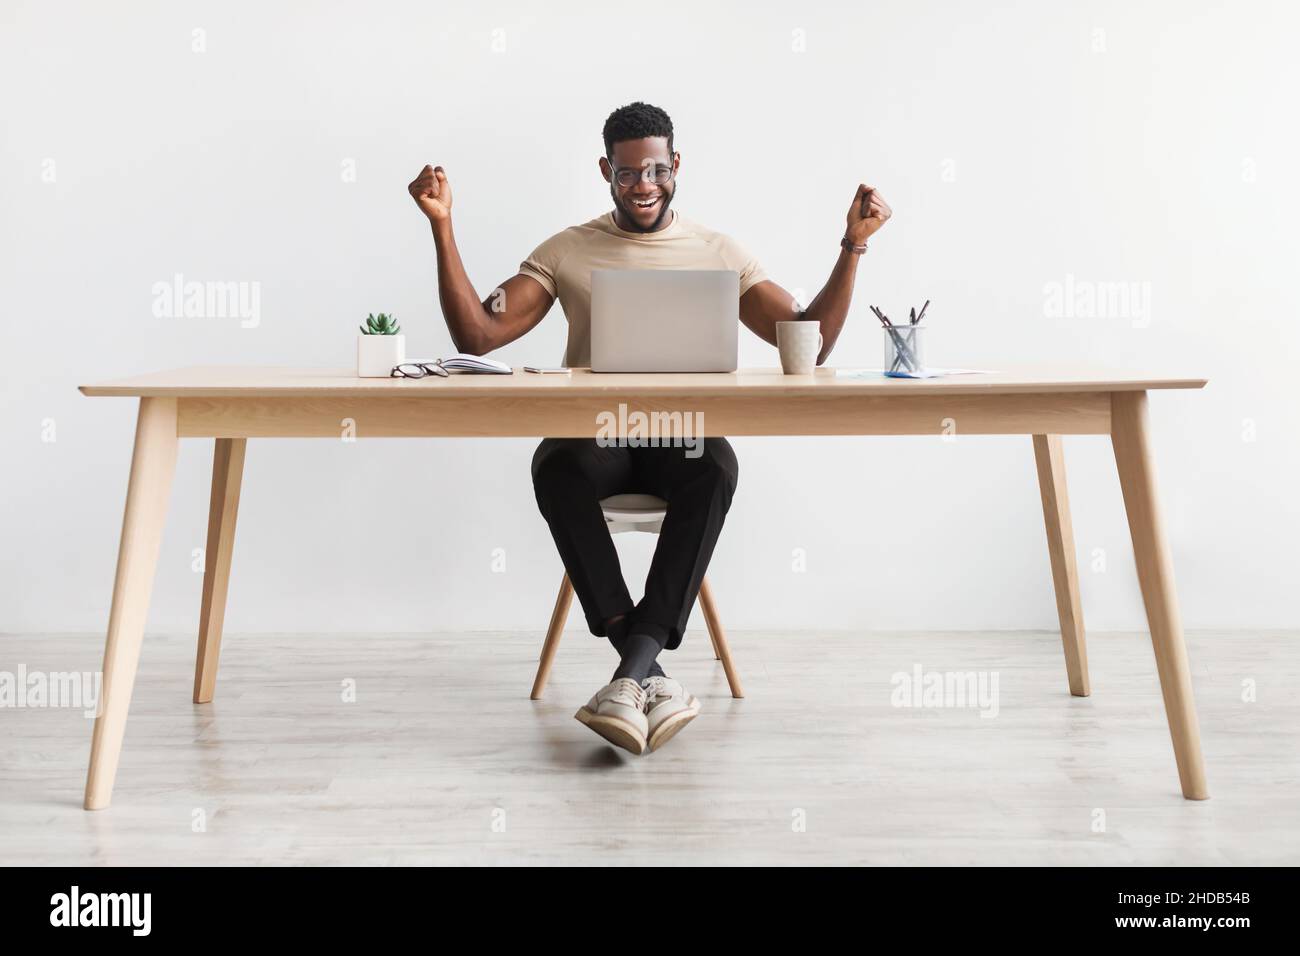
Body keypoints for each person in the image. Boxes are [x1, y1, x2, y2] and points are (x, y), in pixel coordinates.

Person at [407, 101, 891, 756]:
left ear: (677, 167)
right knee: (554, 468)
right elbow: (478, 333)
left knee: (716, 468)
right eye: (629, 173)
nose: (644, 185)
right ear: (606, 170)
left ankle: (629, 675)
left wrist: (852, 245)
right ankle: (646, 671)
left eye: (657, 171)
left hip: (682, 434)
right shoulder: (567, 249)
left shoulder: (719, 251)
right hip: (595, 436)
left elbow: (807, 341)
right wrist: (443, 227)